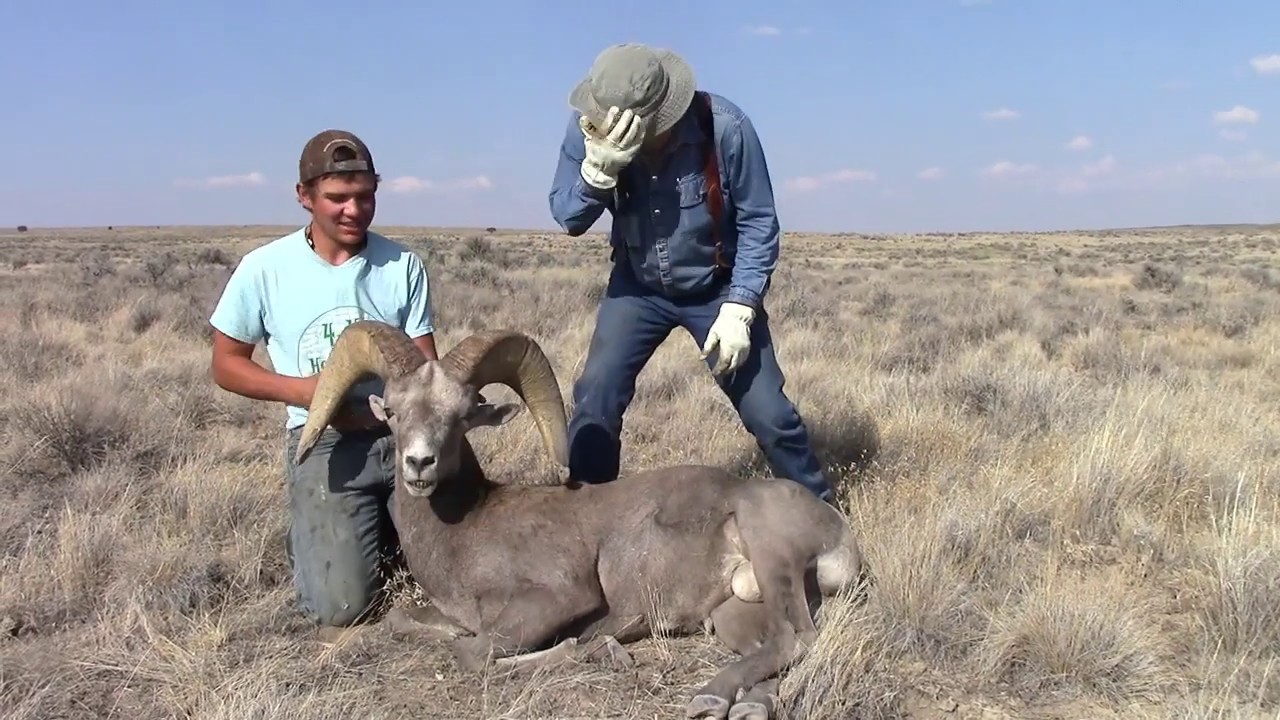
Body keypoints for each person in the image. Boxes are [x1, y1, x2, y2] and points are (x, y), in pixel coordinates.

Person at [548, 43, 835, 503]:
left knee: (771, 415)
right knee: (595, 400)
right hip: (637, 286)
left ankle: (821, 519)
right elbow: (568, 216)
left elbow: (759, 222)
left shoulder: (726, 128)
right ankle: (587, 521)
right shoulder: (587, 129)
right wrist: (596, 176)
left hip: (717, 288)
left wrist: (741, 306)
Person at [207, 129, 438, 633]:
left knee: (453, 574)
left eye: (365, 196)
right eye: (337, 198)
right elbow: (225, 364)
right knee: (343, 609)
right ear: (304, 196)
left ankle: (375, 533)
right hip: (323, 440)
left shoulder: (402, 265)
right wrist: (307, 394)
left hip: (400, 435)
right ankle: (316, 538)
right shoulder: (264, 269)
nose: (354, 210)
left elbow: (426, 367)